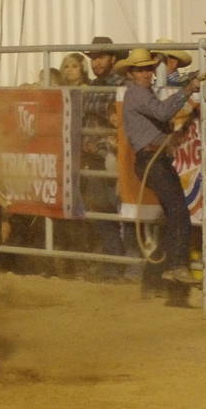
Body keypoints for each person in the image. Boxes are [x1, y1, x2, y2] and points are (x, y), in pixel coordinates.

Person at [118, 48, 201, 285]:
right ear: (132, 73)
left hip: (154, 159)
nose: (146, 73)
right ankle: (177, 265)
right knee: (179, 212)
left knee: (171, 215)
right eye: (141, 70)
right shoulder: (139, 95)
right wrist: (188, 89)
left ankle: (156, 274)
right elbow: (163, 113)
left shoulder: (139, 93)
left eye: (148, 68)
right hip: (152, 161)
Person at [80, 36, 129, 279]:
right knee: (101, 211)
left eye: (100, 57)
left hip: (114, 155)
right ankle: (115, 262)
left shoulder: (120, 84)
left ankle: (127, 264)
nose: (96, 63)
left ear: (112, 58)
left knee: (121, 209)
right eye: (93, 58)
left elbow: (114, 115)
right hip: (96, 155)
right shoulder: (94, 86)